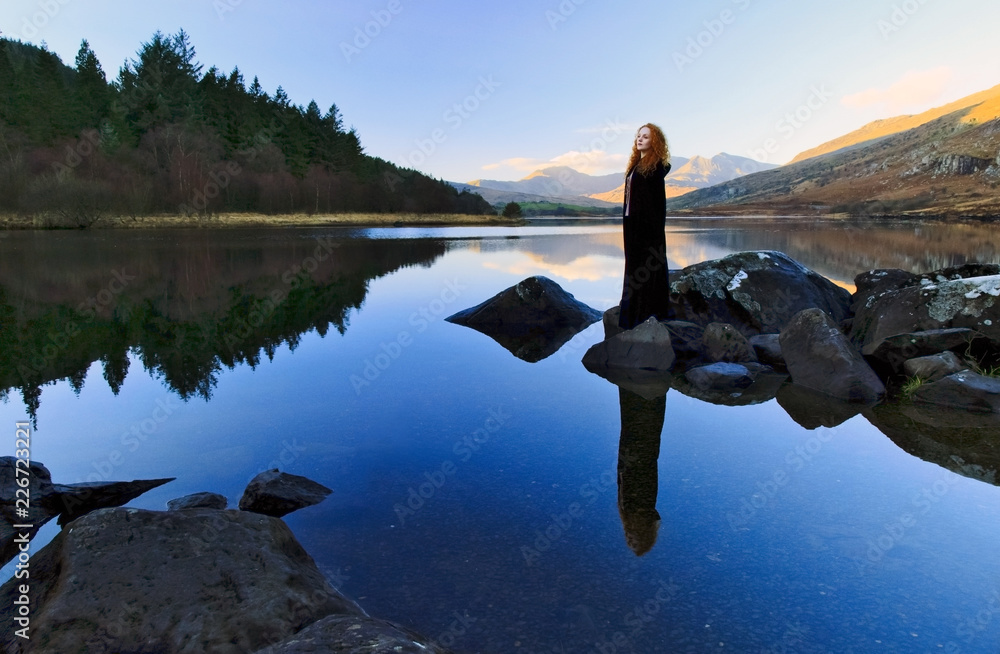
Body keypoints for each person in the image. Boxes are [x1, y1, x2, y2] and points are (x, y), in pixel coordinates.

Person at [618, 123, 672, 330]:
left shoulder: (656, 167)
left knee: (646, 267)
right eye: (639, 136)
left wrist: (653, 230)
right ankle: (631, 314)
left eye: (646, 137)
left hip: (646, 228)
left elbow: (657, 203)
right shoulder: (636, 165)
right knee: (633, 266)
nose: (640, 139)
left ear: (655, 141)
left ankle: (647, 313)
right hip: (631, 224)